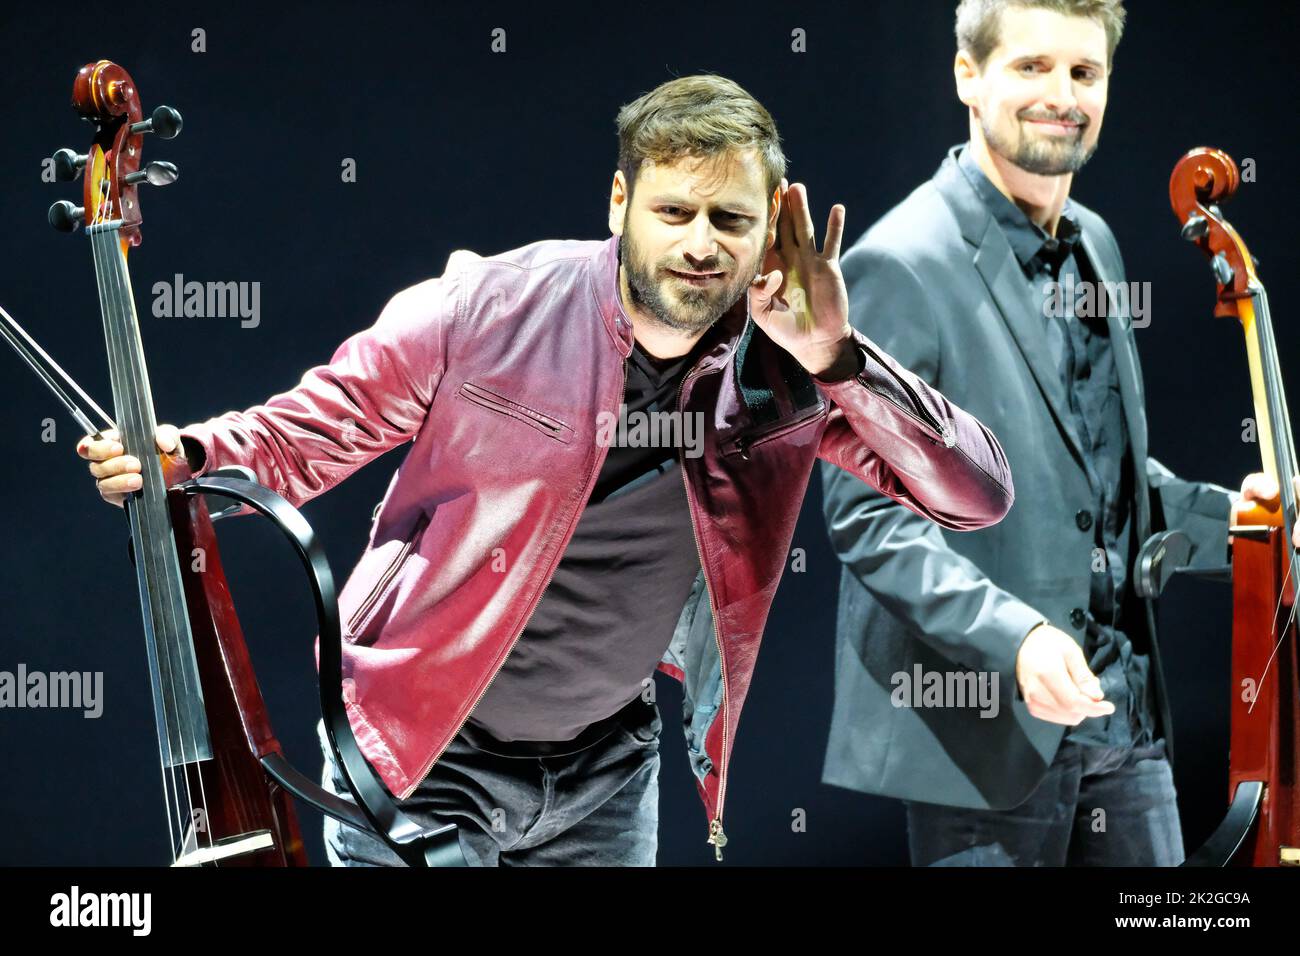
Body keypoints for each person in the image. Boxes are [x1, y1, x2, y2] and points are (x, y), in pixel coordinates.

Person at [79, 74, 1014, 866]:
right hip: (422, 760)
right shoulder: (484, 305)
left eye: (729, 218)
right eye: (673, 211)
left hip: (606, 777)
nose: (699, 243)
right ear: (620, 205)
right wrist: (186, 453)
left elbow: (972, 496)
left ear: (770, 226)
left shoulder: (790, 372)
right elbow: (307, 432)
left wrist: (840, 357)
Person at [819, 0, 1300, 866]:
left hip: (1125, 712)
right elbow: (869, 520)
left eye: (1084, 72)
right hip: (989, 738)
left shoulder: (1097, 247)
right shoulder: (899, 263)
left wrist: (1241, 522)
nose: (1062, 95)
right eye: (1032, 67)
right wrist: (1020, 638)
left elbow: (1106, 480)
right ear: (969, 76)